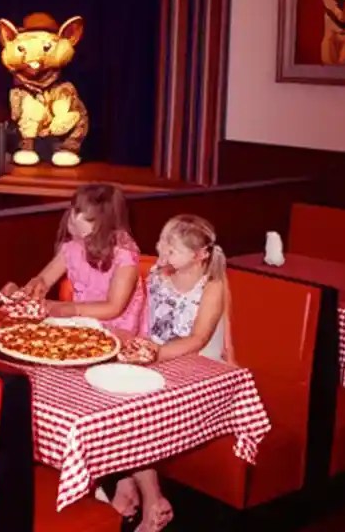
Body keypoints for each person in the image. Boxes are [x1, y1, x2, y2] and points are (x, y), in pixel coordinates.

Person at [107, 214, 232, 531]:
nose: (161, 249)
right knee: (112, 396)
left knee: (134, 410)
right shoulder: (158, 273)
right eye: (162, 241)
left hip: (199, 369)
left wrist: (152, 354)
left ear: (199, 255)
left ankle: (153, 501)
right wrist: (135, 345)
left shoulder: (213, 286)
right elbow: (146, 320)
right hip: (162, 361)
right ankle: (126, 479)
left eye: (171, 247)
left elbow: (198, 340)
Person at [19, 183, 147, 335]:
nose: (74, 217)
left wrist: (71, 309)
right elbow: (45, 280)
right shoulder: (72, 247)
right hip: (83, 325)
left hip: (119, 332)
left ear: (104, 224)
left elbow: (113, 307)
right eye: (74, 209)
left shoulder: (124, 256)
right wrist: (36, 284)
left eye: (84, 215)